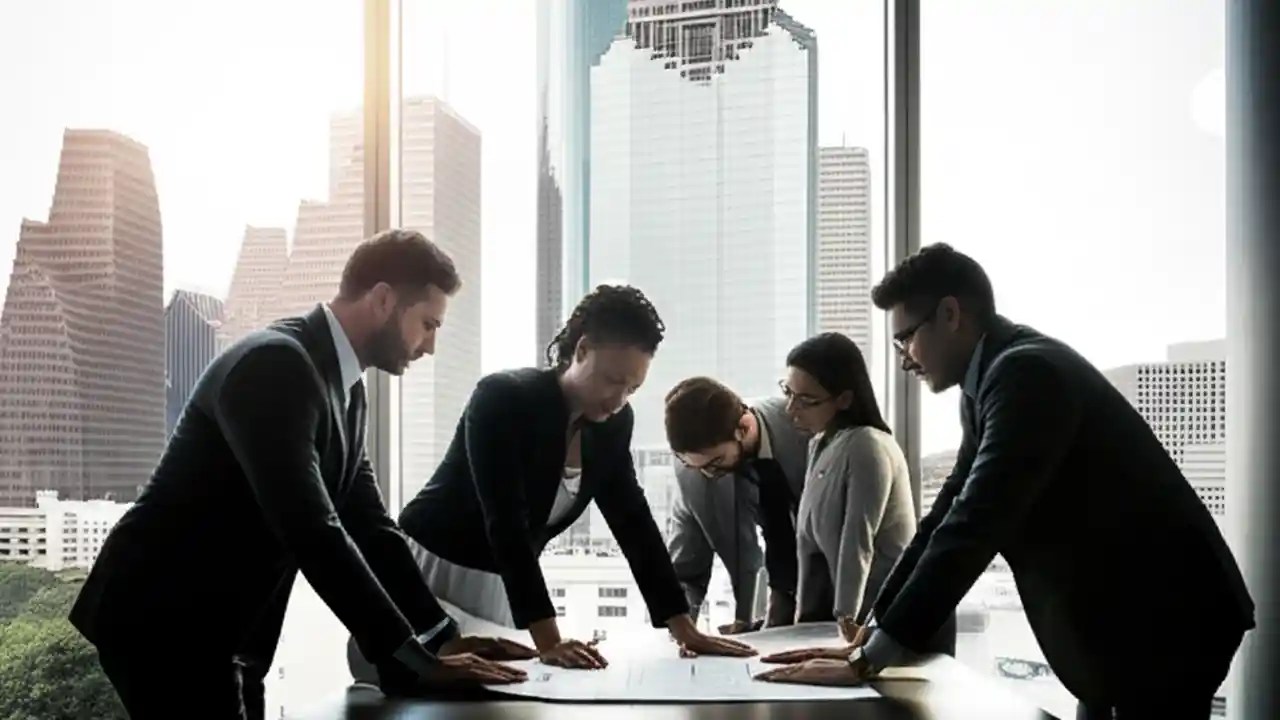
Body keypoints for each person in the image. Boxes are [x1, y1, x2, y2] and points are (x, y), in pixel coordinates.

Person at [756, 243, 1255, 720]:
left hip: (1167, 620)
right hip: (1127, 622)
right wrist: (869, 637)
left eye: (906, 336)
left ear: (950, 315)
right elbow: (946, 514)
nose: (904, 356)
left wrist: (869, 659)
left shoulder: (1025, 375)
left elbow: (976, 524)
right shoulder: (989, 385)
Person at [69, 230, 530, 719]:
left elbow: (370, 527)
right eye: (428, 324)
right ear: (382, 299)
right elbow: (314, 529)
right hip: (161, 620)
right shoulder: (275, 364)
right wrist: (412, 658)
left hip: (226, 630)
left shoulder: (348, 391)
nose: (430, 346)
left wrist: (443, 639)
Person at [390, 285, 755, 671]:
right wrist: (551, 640)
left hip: (501, 585)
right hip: (429, 573)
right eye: (613, 380)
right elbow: (506, 523)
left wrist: (682, 627)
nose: (619, 400)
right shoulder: (503, 398)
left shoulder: (613, 425)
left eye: (632, 388)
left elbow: (634, 522)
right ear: (581, 351)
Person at [782, 333, 914, 643]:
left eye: (806, 400)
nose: (791, 409)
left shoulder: (867, 444)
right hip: (832, 621)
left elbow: (858, 540)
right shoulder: (819, 444)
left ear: (844, 399)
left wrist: (847, 622)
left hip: (876, 621)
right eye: (788, 393)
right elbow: (807, 542)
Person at [662, 376, 810, 633]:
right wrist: (681, 630)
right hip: (758, 628)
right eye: (695, 465)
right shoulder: (692, 471)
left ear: (743, 429)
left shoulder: (804, 429)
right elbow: (686, 565)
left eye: (714, 462)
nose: (707, 474)